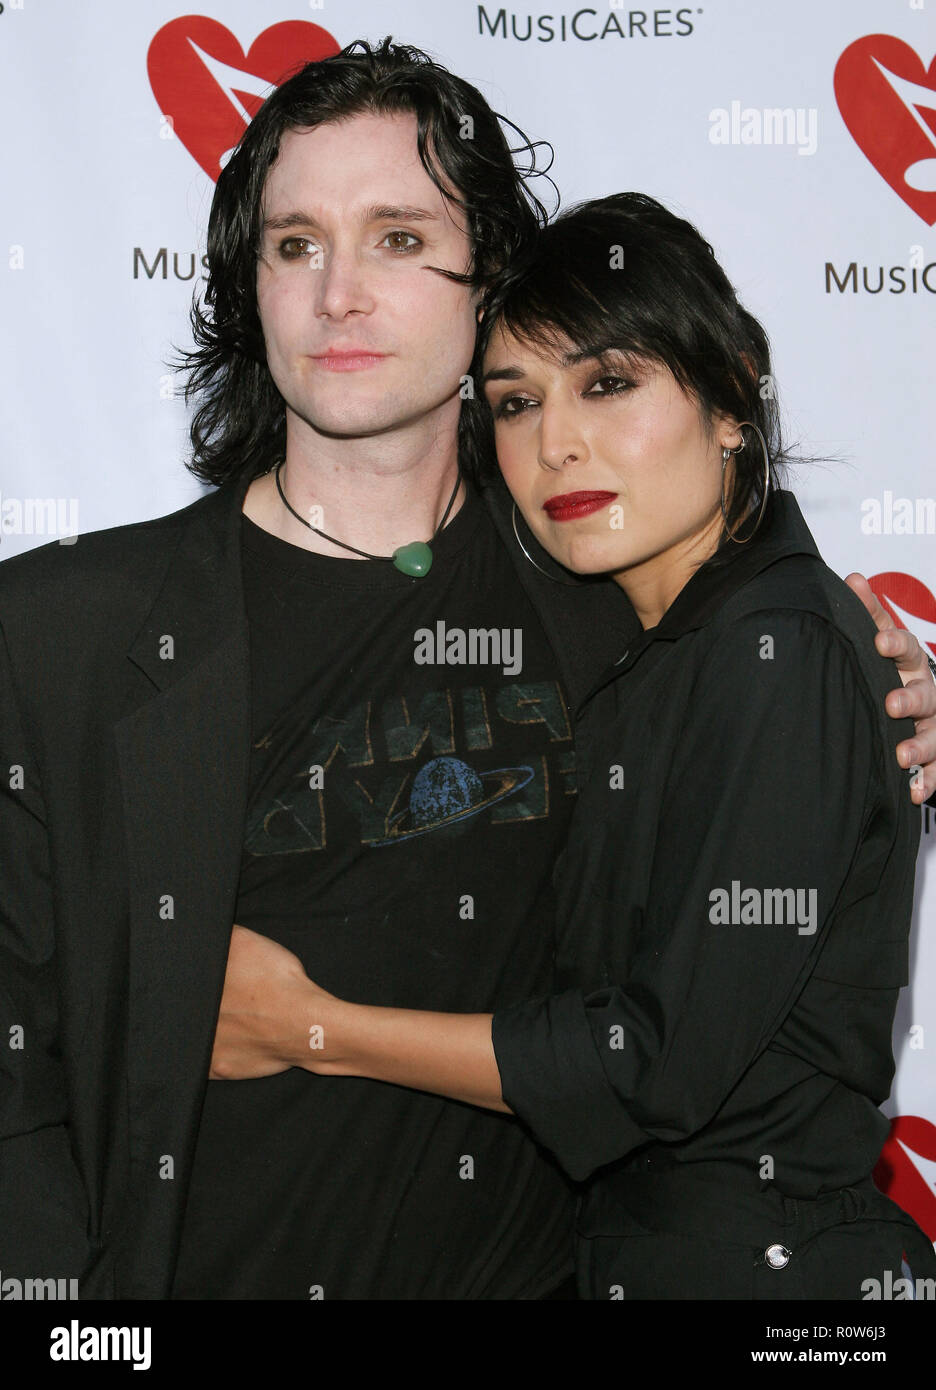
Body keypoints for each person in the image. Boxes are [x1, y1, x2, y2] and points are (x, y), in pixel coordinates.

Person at [0, 42, 933, 1302]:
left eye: (395, 238)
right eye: (293, 244)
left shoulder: (621, 591)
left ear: (485, 281)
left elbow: (775, 751)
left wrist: (891, 693)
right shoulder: (63, 630)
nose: (337, 293)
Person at [215, 192, 936, 1301]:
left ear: (734, 390)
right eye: (515, 402)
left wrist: (313, 1027)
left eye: (609, 382)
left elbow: (651, 1064)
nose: (557, 442)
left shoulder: (776, 649)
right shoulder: (648, 645)